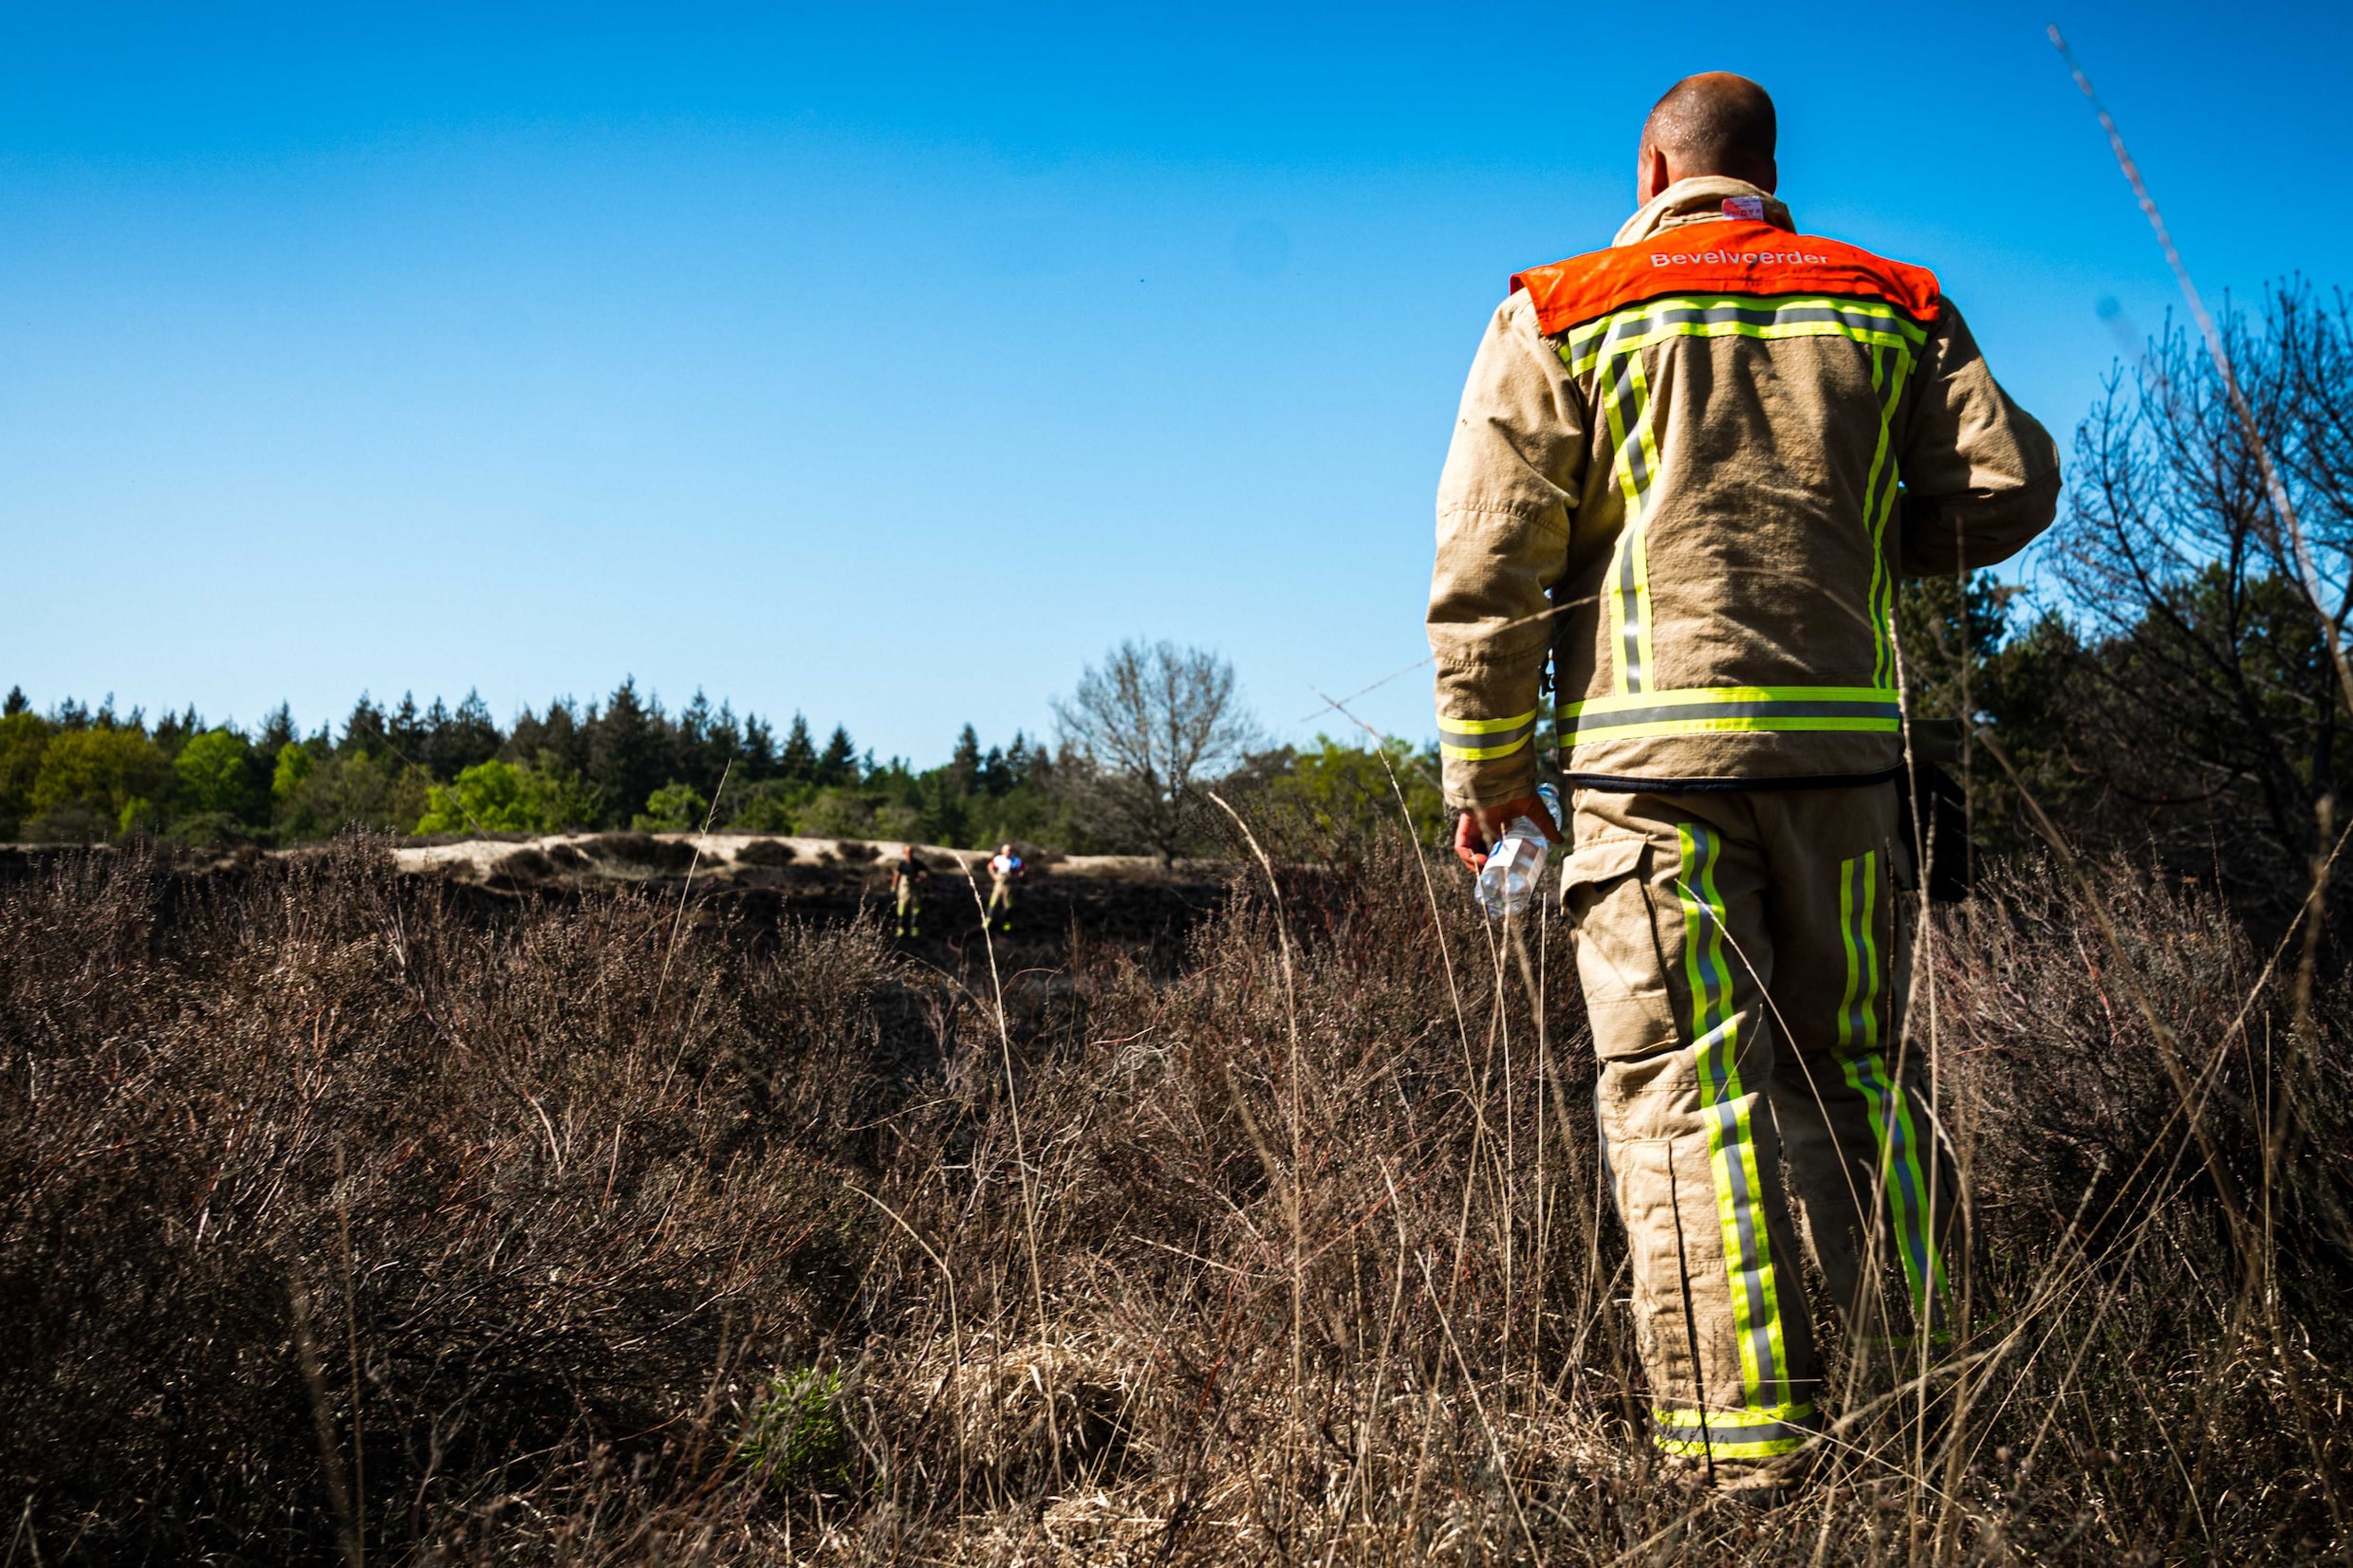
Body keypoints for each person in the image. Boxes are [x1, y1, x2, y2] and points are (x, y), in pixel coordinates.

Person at [1426, 73, 2058, 1495]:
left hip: (1651, 784)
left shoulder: (1565, 304)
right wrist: (1854, 543)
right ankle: (1930, 1411)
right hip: (1849, 769)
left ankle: (1747, 1465)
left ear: (1652, 163)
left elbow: (1488, 565)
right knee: (1862, 1082)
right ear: (1771, 172)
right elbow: (2010, 481)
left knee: (1685, 1102)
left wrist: (1490, 769)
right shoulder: (1890, 297)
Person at [891, 843, 927, 938]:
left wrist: (920, 878)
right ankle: (900, 928)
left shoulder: (917, 863)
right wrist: (894, 886)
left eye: (910, 852)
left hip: (915, 886)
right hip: (904, 885)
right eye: (907, 852)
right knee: (902, 906)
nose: (908, 854)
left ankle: (914, 929)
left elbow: (926, 872)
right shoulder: (902, 864)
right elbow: (897, 875)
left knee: (916, 906)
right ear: (904, 853)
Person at [985, 843, 1023, 932]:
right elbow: (990, 866)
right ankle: (987, 921)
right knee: (993, 902)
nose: (1007, 852)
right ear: (1002, 851)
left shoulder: (1016, 860)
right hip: (999, 884)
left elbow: (1023, 869)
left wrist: (1018, 875)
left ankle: (1007, 924)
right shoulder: (998, 859)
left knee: (1008, 906)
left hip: (1009, 886)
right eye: (1006, 850)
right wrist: (994, 875)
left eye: (1009, 850)